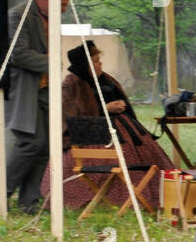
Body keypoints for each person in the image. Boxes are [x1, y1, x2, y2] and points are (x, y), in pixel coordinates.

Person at [44, 42, 174, 210]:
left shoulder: (106, 79)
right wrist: (106, 108)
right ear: (86, 64)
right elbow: (73, 118)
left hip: (125, 129)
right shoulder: (72, 83)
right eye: (96, 61)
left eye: (99, 60)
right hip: (93, 135)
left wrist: (120, 105)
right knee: (115, 160)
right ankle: (112, 199)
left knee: (142, 158)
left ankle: (146, 195)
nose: (100, 64)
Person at [4, 0, 68, 212]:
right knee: (31, 142)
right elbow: (17, 53)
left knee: (44, 147)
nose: (63, 10)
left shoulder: (50, 19)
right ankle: (0, 194)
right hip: (23, 90)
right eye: (60, 5)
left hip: (44, 89)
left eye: (65, 6)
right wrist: (52, 62)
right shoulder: (18, 15)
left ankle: (29, 201)